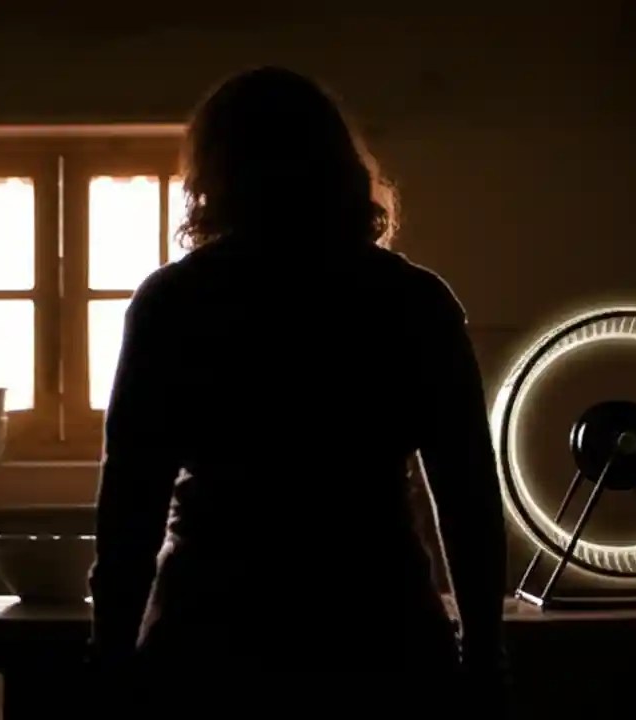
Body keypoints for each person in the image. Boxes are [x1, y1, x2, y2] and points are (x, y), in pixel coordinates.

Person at [87, 66, 508, 697]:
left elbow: (130, 505)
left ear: (215, 175)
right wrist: (482, 649)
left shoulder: (176, 302)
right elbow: (468, 496)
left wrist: (111, 655)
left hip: (211, 639)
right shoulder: (413, 301)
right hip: (379, 633)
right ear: (341, 168)